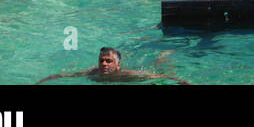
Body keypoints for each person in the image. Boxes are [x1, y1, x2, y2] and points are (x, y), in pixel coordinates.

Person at [36, 47, 190, 84]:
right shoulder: (93, 72)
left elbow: (158, 76)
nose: (104, 64)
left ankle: (162, 56)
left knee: (158, 67)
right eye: (102, 60)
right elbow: (65, 75)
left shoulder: (128, 75)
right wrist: (43, 81)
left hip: (145, 75)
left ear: (118, 65)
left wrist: (179, 81)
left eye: (108, 61)